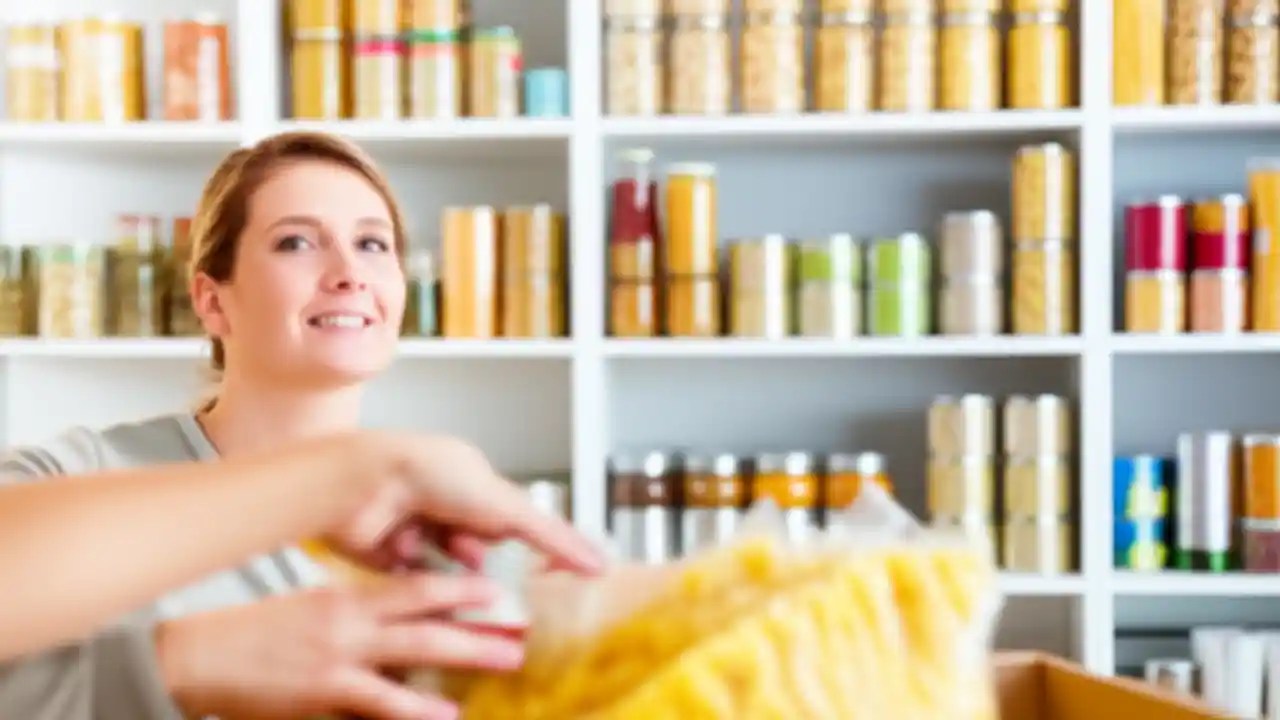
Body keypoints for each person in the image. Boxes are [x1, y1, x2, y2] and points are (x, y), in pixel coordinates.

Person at [0, 131, 600, 720]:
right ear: (212, 301)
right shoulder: (71, 477)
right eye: (295, 243)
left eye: (372, 244)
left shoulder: (449, 538)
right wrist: (182, 665)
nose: (348, 273)